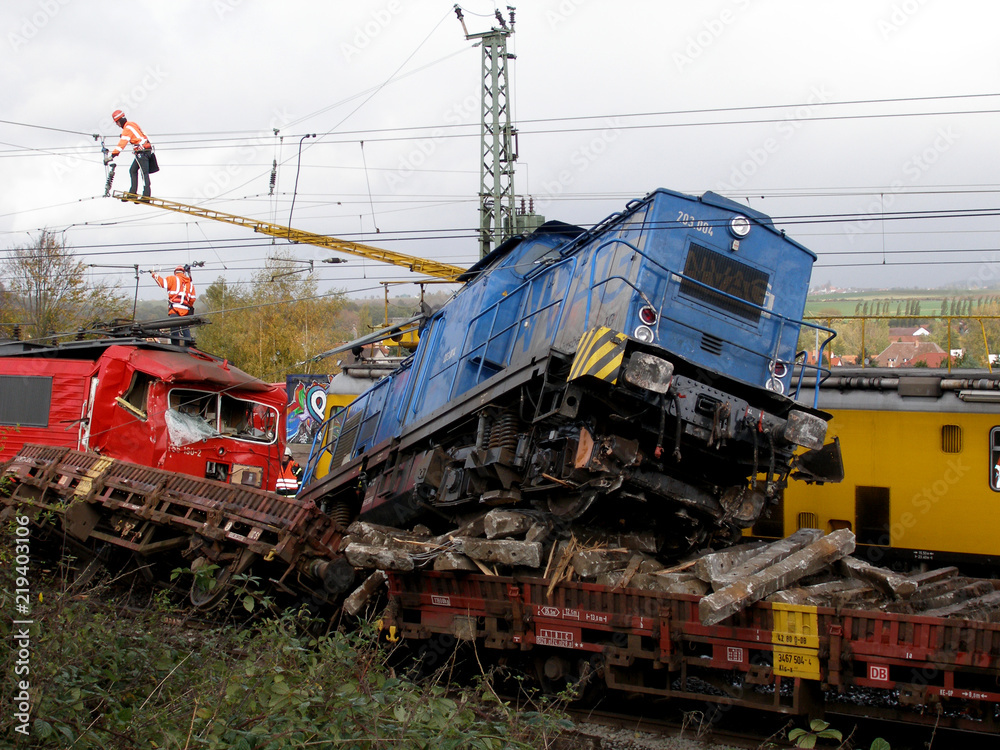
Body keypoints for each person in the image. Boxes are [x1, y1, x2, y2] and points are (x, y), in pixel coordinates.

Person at [110, 109, 154, 199]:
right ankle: (133, 193)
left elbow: (121, 144)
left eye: (117, 123)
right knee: (132, 170)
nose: (117, 125)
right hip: (145, 151)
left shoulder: (127, 129)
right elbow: (137, 133)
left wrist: (112, 155)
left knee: (143, 173)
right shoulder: (132, 124)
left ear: (119, 121)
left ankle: (146, 195)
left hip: (142, 152)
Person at [150, 265, 196, 345]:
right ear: (183, 272)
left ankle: (176, 346)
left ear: (175, 272)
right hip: (185, 310)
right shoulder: (190, 284)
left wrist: (154, 274)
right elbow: (192, 299)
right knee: (185, 328)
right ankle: (188, 346)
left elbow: (162, 283)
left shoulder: (172, 279)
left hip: (174, 309)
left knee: (174, 329)